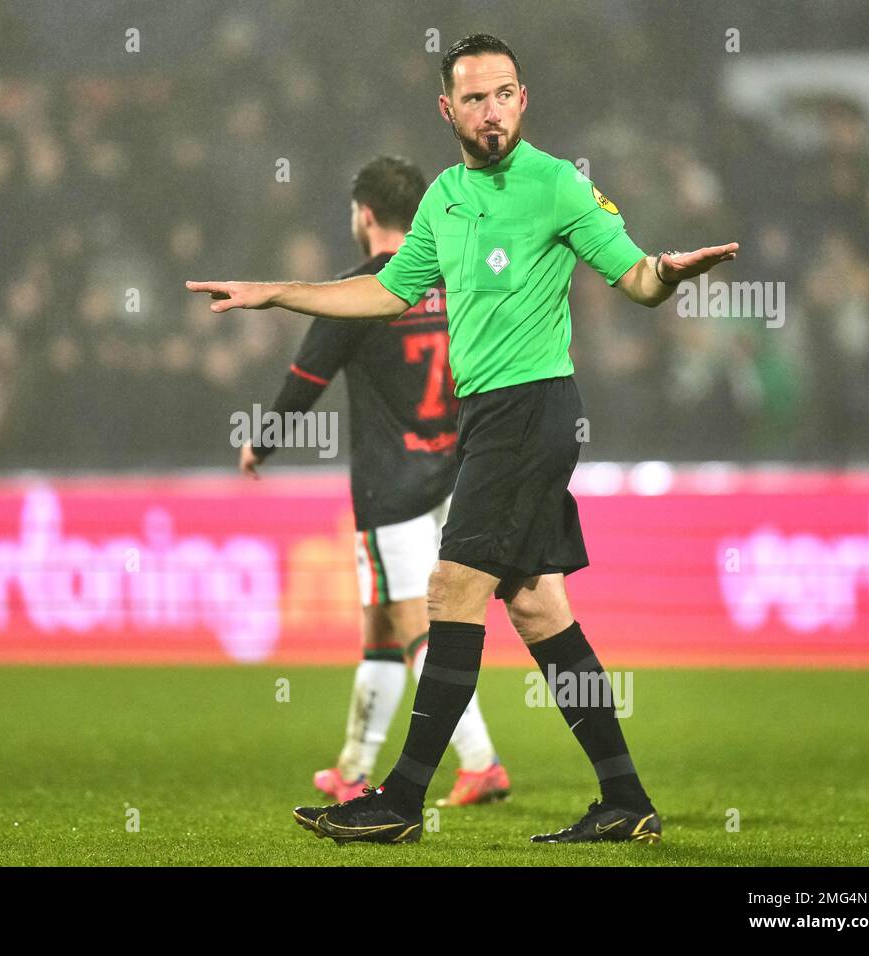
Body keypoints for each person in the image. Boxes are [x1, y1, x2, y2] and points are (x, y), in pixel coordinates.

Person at [187, 33, 738, 845]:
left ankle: (400, 802)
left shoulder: (559, 186)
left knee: (447, 591)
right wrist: (274, 295)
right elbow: (384, 294)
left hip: (531, 412)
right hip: (493, 419)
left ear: (525, 99)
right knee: (540, 608)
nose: (492, 110)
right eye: (475, 98)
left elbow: (637, 278)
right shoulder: (444, 197)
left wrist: (672, 272)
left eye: (504, 94)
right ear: (449, 110)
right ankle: (625, 797)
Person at [245, 156, 509, 809]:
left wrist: (262, 441)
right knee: (383, 629)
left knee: (416, 627)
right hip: (457, 472)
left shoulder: (359, 291)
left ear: (364, 214)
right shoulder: (454, 277)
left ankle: (480, 762)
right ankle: (353, 768)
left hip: (392, 487)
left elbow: (305, 381)